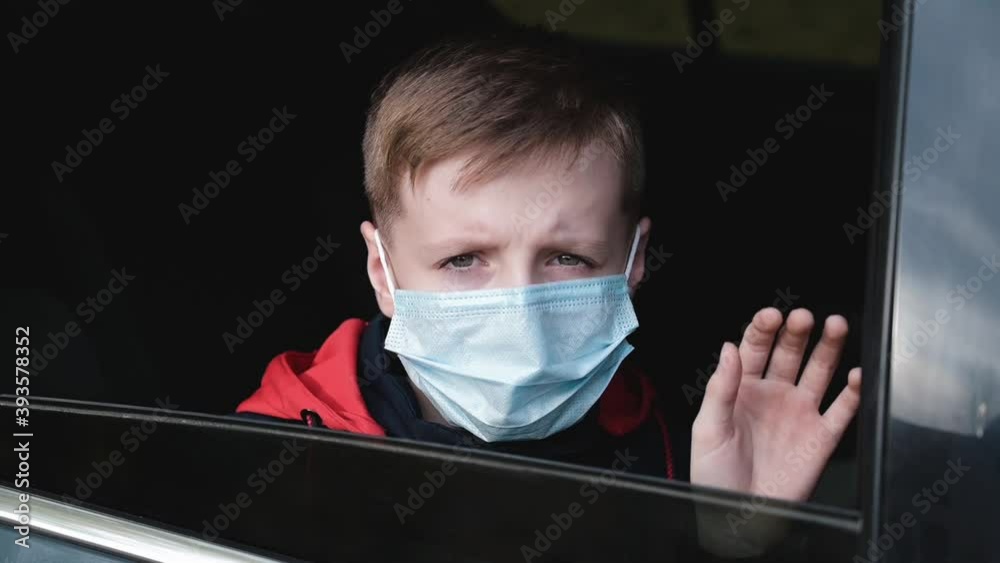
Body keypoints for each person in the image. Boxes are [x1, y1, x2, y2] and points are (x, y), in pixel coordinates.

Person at [235, 30, 862, 506]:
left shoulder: (656, 443)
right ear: (381, 270)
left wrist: (725, 539)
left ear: (633, 262)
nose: (520, 307)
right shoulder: (287, 450)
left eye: (567, 258)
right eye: (462, 259)